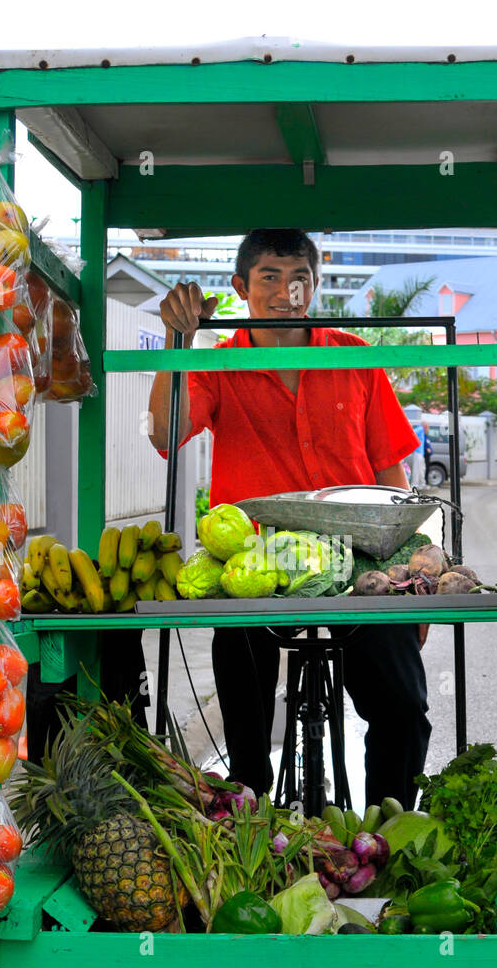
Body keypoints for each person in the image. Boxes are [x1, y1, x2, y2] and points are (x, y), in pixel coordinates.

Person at [147, 229, 432, 810]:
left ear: (315, 284)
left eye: (298, 277)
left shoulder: (355, 358)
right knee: (241, 677)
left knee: (403, 703)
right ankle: (248, 814)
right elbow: (165, 432)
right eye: (269, 278)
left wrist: (412, 574)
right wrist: (178, 341)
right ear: (240, 288)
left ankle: (388, 829)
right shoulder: (219, 366)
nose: (286, 292)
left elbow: (389, 470)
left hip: (360, 559)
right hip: (256, 561)